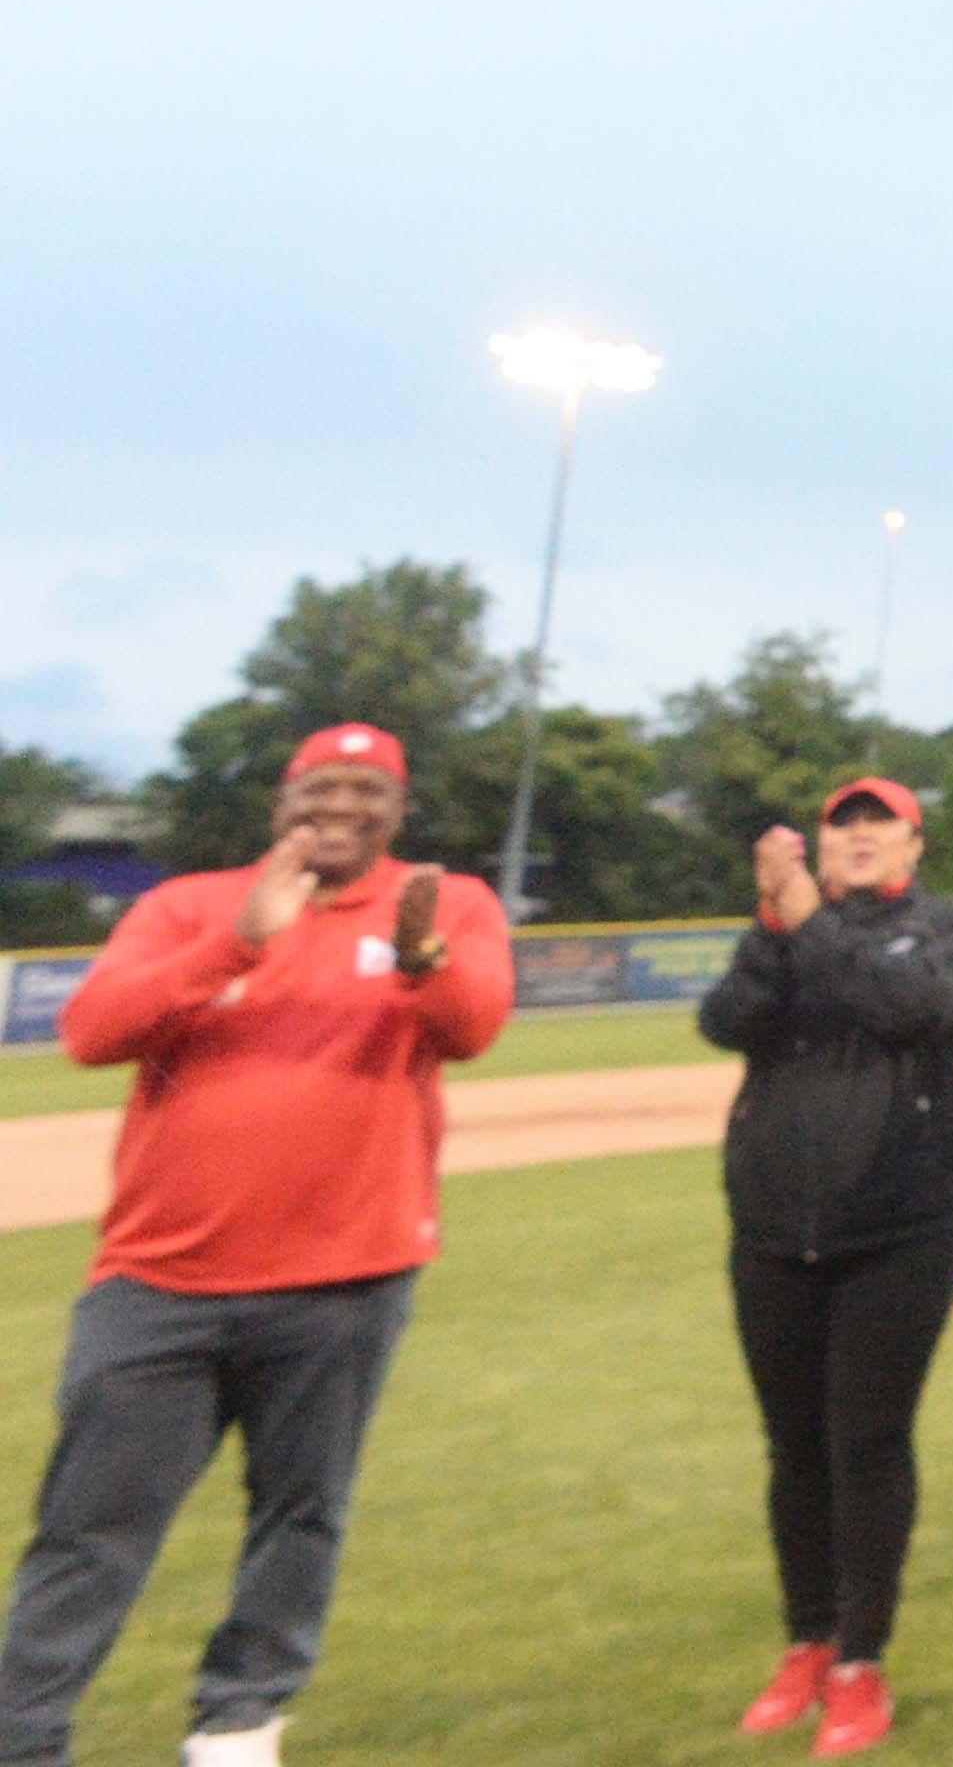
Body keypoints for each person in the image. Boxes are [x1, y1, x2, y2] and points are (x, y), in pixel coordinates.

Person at [0, 723, 510, 1767]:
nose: (340, 804)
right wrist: (236, 937)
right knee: (90, 1525)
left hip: (346, 1280)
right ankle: (24, 1732)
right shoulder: (187, 903)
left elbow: (472, 1026)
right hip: (160, 1281)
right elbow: (92, 1032)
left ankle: (240, 1721)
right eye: (319, 785)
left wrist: (420, 957)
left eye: (367, 789)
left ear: (396, 810)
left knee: (300, 1515)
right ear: (281, 802)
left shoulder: (446, 903)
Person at [700, 777, 953, 1758]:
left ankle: (860, 1663)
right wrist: (771, 924)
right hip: (775, 1225)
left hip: (904, 1225)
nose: (860, 836)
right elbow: (726, 1019)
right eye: (842, 824)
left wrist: (809, 924)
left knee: (866, 1440)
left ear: (913, 841)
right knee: (792, 1446)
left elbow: (911, 1007)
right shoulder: (786, 931)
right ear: (817, 848)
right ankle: (807, 1640)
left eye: (879, 822)